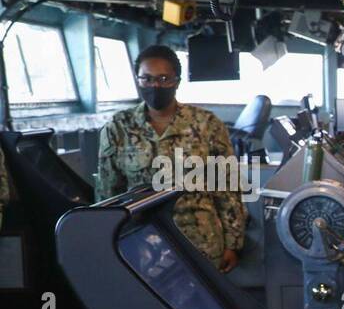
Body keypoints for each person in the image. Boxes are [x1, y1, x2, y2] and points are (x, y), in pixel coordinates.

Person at [96, 45, 246, 271]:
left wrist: (233, 243)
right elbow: (108, 193)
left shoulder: (206, 124)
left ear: (177, 81)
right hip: (141, 244)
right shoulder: (119, 127)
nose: (155, 85)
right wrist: (107, 241)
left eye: (164, 78)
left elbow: (227, 187)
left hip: (200, 242)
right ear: (138, 80)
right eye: (147, 79)